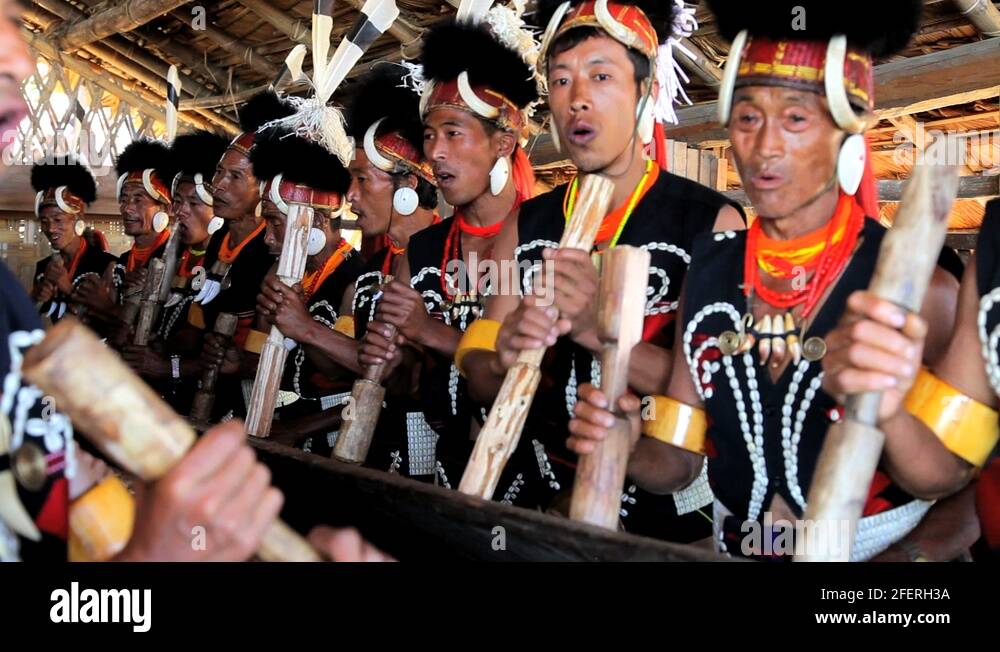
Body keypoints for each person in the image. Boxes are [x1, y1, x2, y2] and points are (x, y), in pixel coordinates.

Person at [566, 0, 970, 560]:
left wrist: (902, 566)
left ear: (846, 131)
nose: (765, 146)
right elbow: (678, 463)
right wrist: (628, 447)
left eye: (796, 119)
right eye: (749, 118)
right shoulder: (712, 270)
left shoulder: (922, 285)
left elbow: (958, 486)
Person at [460, 0, 743, 535]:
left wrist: (593, 329)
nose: (578, 100)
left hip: (665, 510)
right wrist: (503, 353)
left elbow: (718, 391)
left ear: (645, 91)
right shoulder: (525, 224)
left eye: (601, 76)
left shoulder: (711, 222)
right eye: (562, 81)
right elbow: (477, 376)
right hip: (538, 493)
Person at [357, 13, 544, 497]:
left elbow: (533, 373)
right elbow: (403, 385)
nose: (436, 152)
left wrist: (429, 332)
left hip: (535, 480)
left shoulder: (547, 238)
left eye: (454, 133)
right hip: (441, 474)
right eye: (430, 135)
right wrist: (393, 359)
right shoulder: (419, 251)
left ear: (502, 143)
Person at [29, 154, 117, 327]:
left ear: (77, 219)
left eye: (58, 219)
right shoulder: (44, 268)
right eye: (45, 222)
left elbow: (113, 324)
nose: (51, 228)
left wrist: (67, 287)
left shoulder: (107, 265)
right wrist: (36, 296)